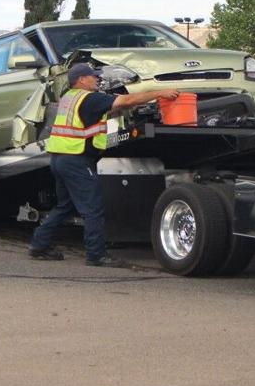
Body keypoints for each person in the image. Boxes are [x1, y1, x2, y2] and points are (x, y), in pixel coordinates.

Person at [29, 63, 181, 267]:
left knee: (65, 205)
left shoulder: (69, 97)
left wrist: (122, 107)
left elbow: (106, 111)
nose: (97, 79)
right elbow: (126, 100)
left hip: (60, 159)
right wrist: (160, 93)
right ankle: (96, 255)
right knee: (93, 208)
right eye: (93, 76)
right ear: (81, 80)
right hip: (76, 160)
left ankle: (39, 245)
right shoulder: (90, 98)